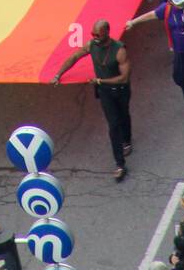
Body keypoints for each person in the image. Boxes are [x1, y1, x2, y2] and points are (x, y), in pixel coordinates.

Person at [53, 19, 131, 181]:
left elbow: (124, 78)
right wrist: (58, 74)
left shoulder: (119, 50)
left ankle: (127, 140)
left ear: (107, 33)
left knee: (124, 116)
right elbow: (75, 57)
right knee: (113, 124)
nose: (94, 36)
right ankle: (120, 164)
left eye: (98, 34)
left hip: (120, 91)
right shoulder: (91, 46)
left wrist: (101, 81)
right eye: (93, 34)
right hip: (105, 93)